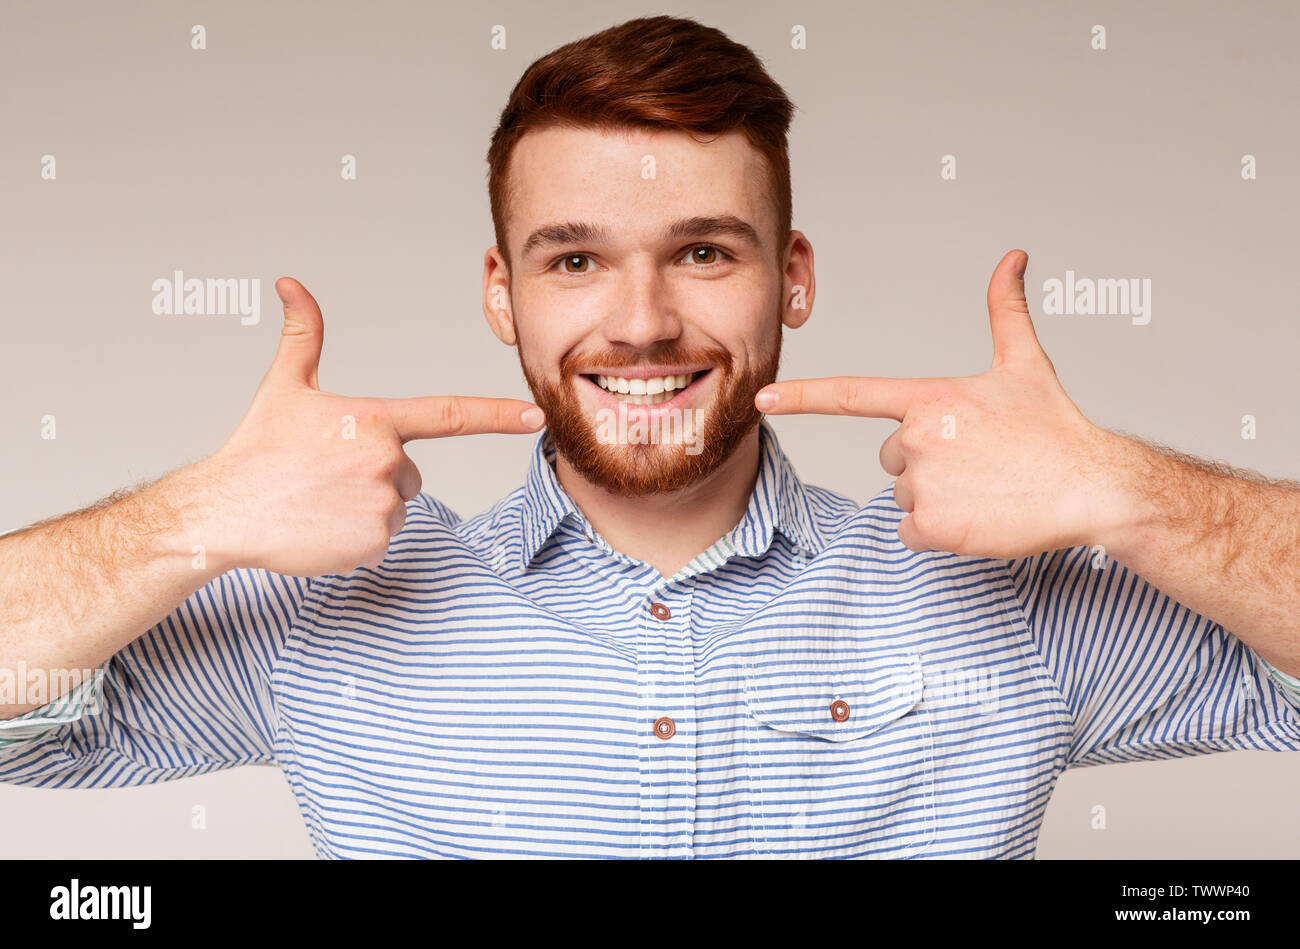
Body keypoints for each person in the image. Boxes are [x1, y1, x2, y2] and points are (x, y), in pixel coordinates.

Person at [2, 15, 1298, 859]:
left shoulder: (1005, 608)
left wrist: (1130, 491)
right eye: (574, 259)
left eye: (701, 252)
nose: (642, 322)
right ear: (503, 289)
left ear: (790, 277)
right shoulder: (322, 620)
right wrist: (192, 520)